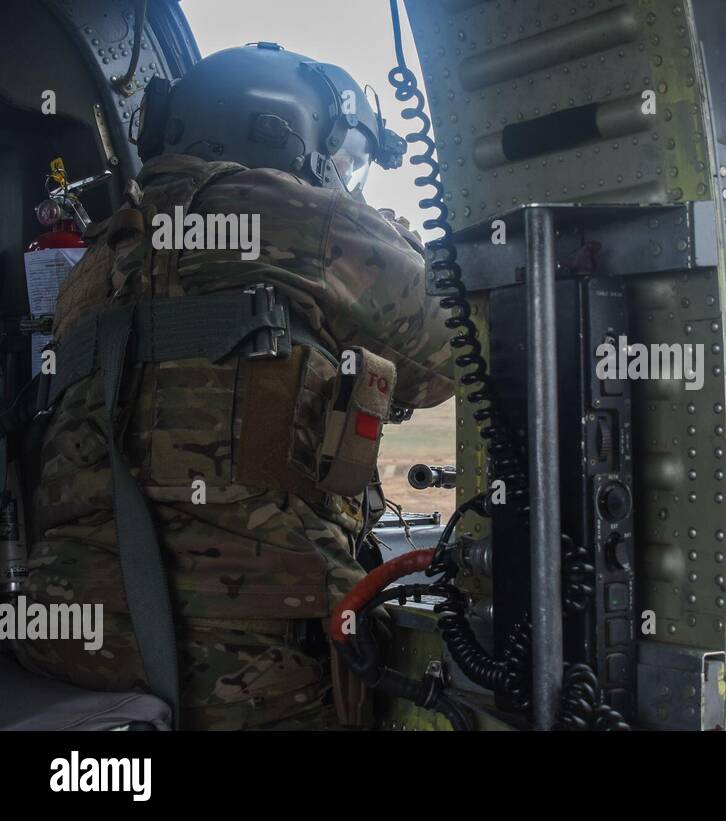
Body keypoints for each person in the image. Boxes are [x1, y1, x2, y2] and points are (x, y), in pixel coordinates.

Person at [12, 43, 454, 729]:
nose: (346, 182)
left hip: (67, 645)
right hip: (248, 664)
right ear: (287, 130)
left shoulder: (95, 260)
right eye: (345, 163)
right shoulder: (303, 218)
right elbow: (454, 358)